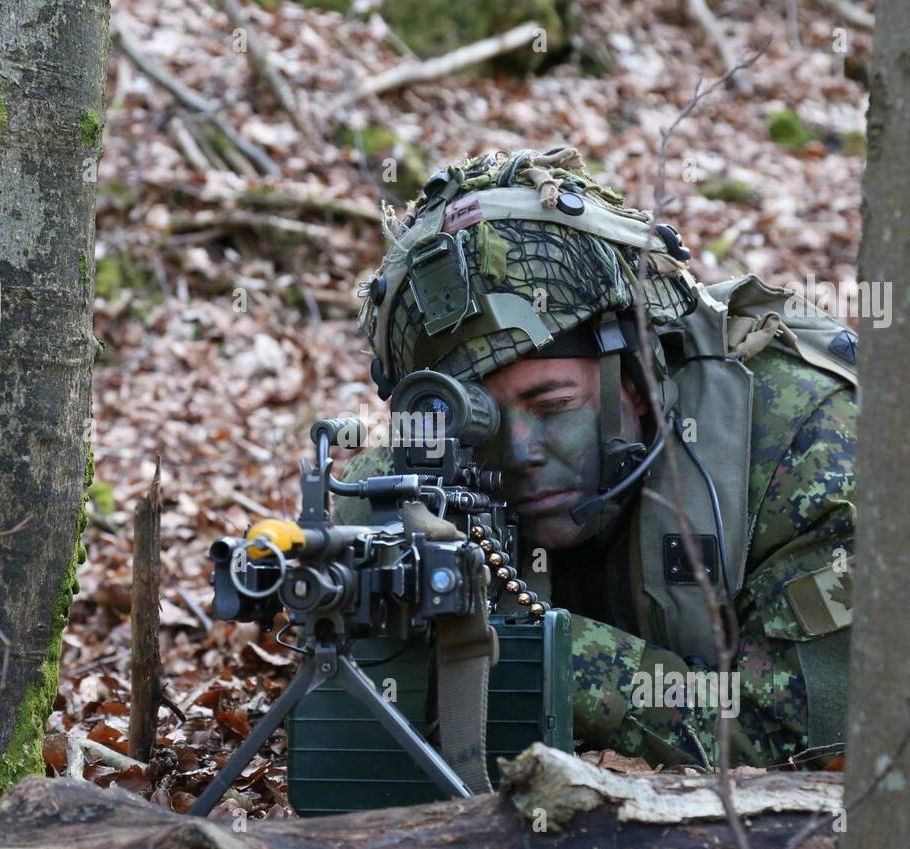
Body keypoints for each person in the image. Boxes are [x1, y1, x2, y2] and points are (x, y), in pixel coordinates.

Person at [335, 147, 858, 769]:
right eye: (485, 421)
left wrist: (547, 657)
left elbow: (810, 738)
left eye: (552, 405)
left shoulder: (799, 438)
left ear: (635, 375)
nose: (521, 453)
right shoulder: (410, 483)